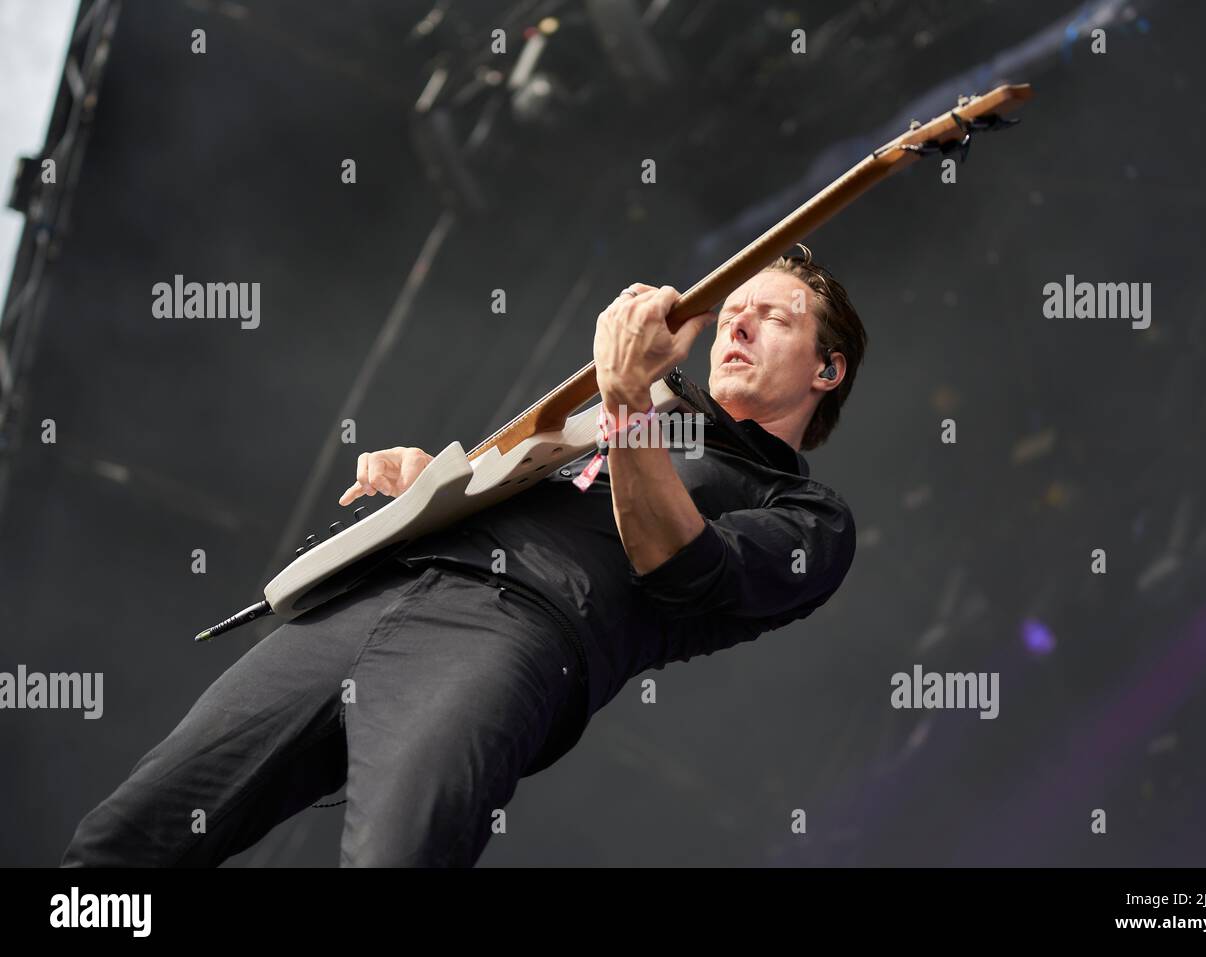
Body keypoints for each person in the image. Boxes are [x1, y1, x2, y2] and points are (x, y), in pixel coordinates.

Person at [61, 246, 867, 867]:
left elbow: (683, 566)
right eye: (733, 309)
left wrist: (625, 398)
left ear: (826, 368)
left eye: (775, 316)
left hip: (514, 634)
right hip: (378, 597)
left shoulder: (806, 513)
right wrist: (428, 491)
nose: (737, 324)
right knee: (123, 840)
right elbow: (510, 491)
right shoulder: (644, 407)